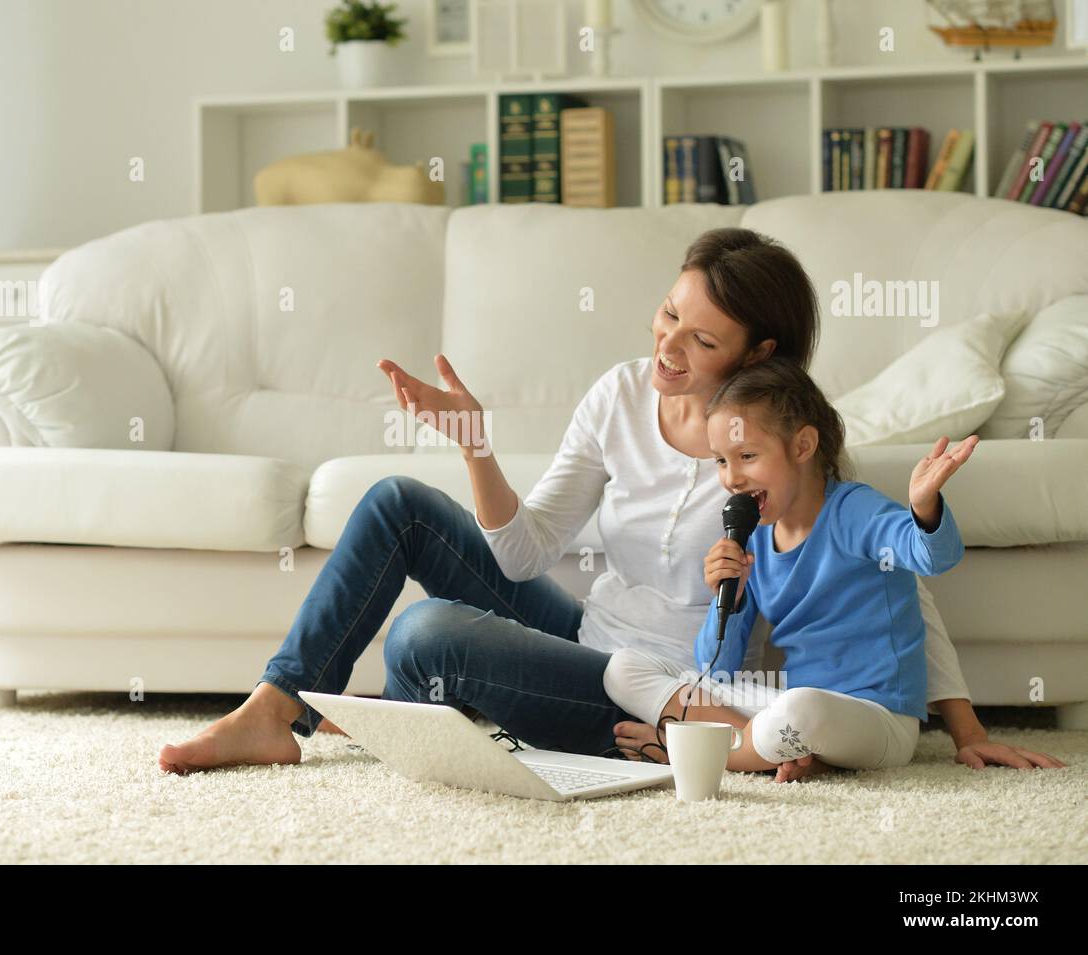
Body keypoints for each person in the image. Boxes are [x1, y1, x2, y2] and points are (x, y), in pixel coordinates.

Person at [158, 228, 1065, 777]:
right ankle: (278, 710)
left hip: (666, 686)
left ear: (757, 353)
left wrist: (964, 726)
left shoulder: (777, 443)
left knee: (423, 637)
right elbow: (521, 553)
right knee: (397, 498)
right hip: (584, 632)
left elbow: (889, 569)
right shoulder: (621, 393)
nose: (667, 346)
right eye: (668, 313)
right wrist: (474, 443)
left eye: (699, 337)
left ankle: (452, 716)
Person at [604, 359, 971, 779]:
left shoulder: (855, 511)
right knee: (623, 667)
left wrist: (924, 506)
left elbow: (932, 556)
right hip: (790, 706)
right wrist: (731, 595)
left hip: (876, 718)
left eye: (746, 456)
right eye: (721, 461)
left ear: (802, 446)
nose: (732, 478)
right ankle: (772, 748)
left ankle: (691, 753)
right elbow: (717, 668)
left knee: (802, 709)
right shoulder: (755, 539)